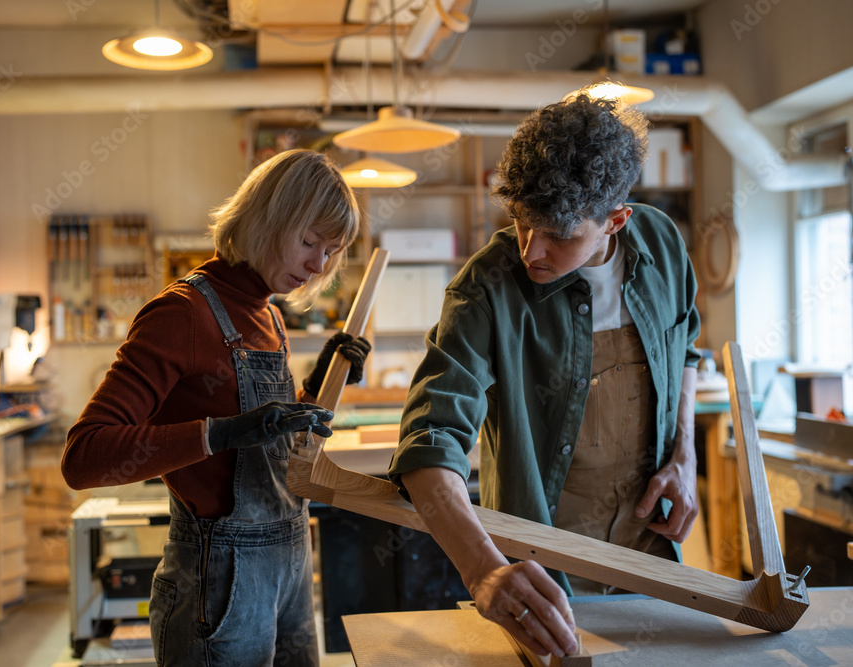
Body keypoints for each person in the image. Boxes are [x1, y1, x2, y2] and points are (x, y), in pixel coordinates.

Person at [388, 91, 701, 659]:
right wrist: (484, 572)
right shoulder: (486, 288)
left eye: (559, 234)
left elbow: (686, 349)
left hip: (648, 558)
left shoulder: (662, 244)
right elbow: (429, 443)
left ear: (616, 221)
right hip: (542, 573)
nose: (533, 251)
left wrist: (685, 456)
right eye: (522, 224)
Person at [62, 149, 371, 666]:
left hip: (289, 559)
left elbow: (271, 446)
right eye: (310, 241)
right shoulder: (180, 314)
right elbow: (83, 457)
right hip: (221, 577)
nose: (319, 264)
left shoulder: (266, 314)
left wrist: (318, 387)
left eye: (331, 251)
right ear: (270, 219)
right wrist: (219, 434)